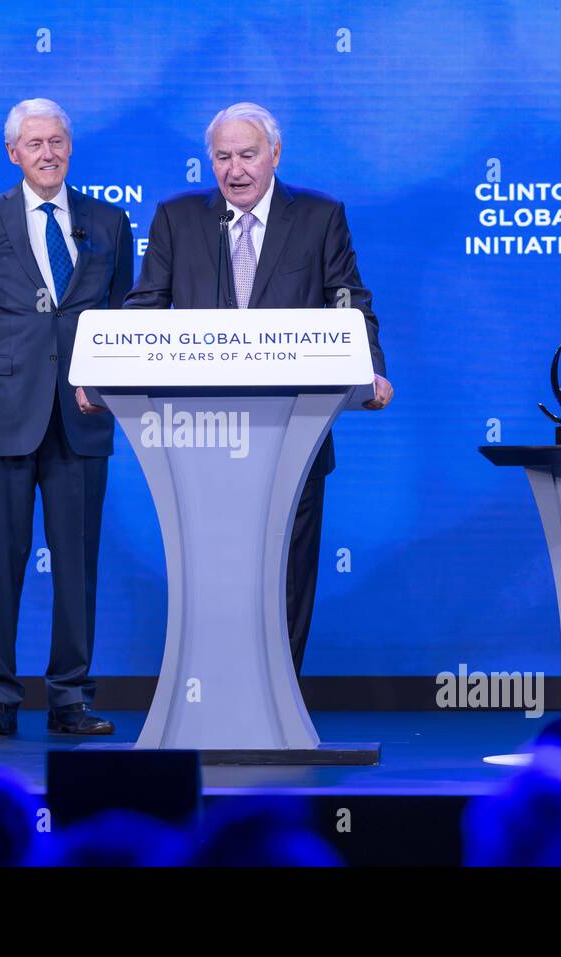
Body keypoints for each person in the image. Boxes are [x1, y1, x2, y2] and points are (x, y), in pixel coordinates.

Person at [124, 102, 393, 674]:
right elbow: (146, 308)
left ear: (275, 154)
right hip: (200, 435)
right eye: (222, 157)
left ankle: (279, 694)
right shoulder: (178, 218)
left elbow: (348, 299)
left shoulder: (320, 216)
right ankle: (213, 689)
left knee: (288, 565)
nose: (235, 169)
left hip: (295, 427)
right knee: (215, 566)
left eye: (247, 155)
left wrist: (367, 366)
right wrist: (108, 374)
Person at [0, 98, 133, 736]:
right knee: (0, 560)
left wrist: (97, 383)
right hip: (0, 421)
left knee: (77, 564)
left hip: (81, 418)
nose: (47, 153)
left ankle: (70, 697)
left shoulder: (109, 221)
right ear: (12, 153)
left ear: (69, 148)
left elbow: (121, 321)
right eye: (34, 143)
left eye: (57, 141)